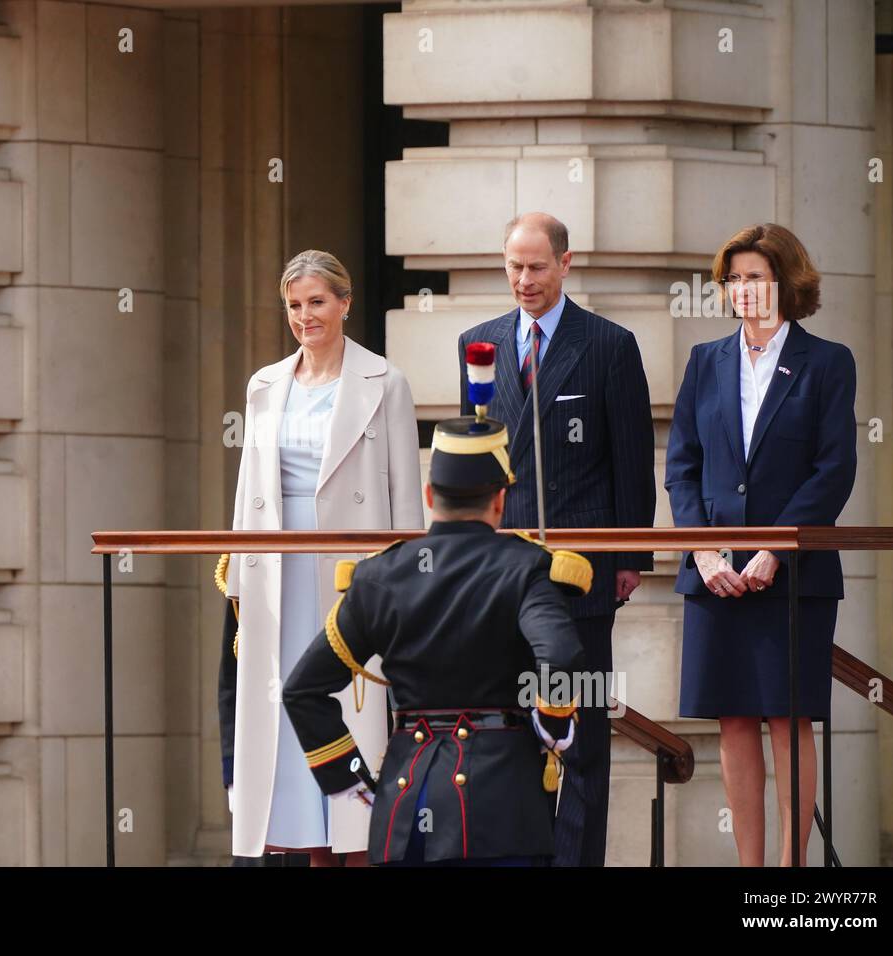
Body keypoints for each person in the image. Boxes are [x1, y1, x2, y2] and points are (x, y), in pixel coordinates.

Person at [282, 415, 589, 865]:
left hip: (406, 808)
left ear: (429, 497)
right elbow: (560, 658)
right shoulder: (527, 567)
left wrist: (354, 780)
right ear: (500, 501)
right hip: (501, 808)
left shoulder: (380, 575)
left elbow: (302, 689)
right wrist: (554, 728)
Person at [457, 211, 656, 865]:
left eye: (537, 266)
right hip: (500, 581)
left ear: (565, 264)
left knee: (583, 741)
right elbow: (470, 461)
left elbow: (631, 459)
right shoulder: (478, 342)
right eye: (513, 266)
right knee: (512, 734)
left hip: (584, 581)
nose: (524, 279)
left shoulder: (608, 345)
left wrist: (630, 558)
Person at [223, 250, 424, 865]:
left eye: (317, 302)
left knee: (348, 714)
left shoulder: (385, 381)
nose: (305, 316)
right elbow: (248, 486)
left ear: (344, 302)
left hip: (350, 573)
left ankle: (355, 841)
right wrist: (235, 571)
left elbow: (405, 500)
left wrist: (408, 585)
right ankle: (305, 841)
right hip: (274, 572)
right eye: (294, 305)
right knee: (284, 711)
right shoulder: (264, 385)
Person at [665, 223, 856, 866]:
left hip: (793, 574)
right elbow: (681, 468)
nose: (743, 289)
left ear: (787, 283)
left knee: (789, 720)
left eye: (757, 277)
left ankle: (789, 875)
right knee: (735, 720)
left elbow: (834, 470)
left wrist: (776, 549)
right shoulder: (704, 361)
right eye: (735, 278)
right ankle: (750, 874)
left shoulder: (828, 362)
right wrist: (704, 553)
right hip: (715, 574)